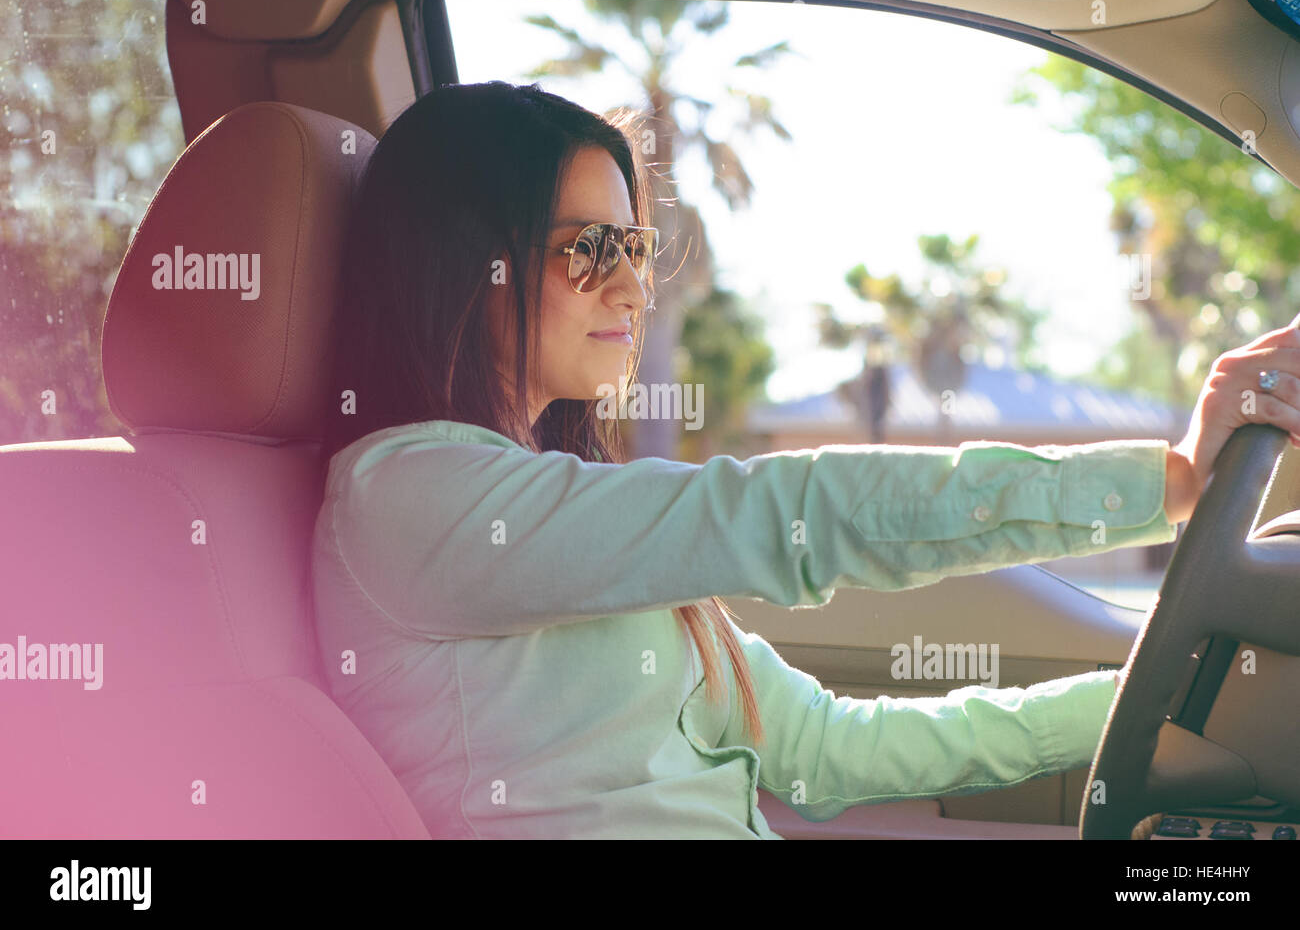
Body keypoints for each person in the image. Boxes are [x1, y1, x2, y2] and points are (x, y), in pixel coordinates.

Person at [313, 80, 1300, 839]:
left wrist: (1138, 702)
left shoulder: (557, 516)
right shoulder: (404, 496)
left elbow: (826, 746)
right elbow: (800, 511)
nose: (628, 287)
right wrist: (1166, 482)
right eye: (586, 248)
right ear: (462, 258)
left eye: (637, 246)